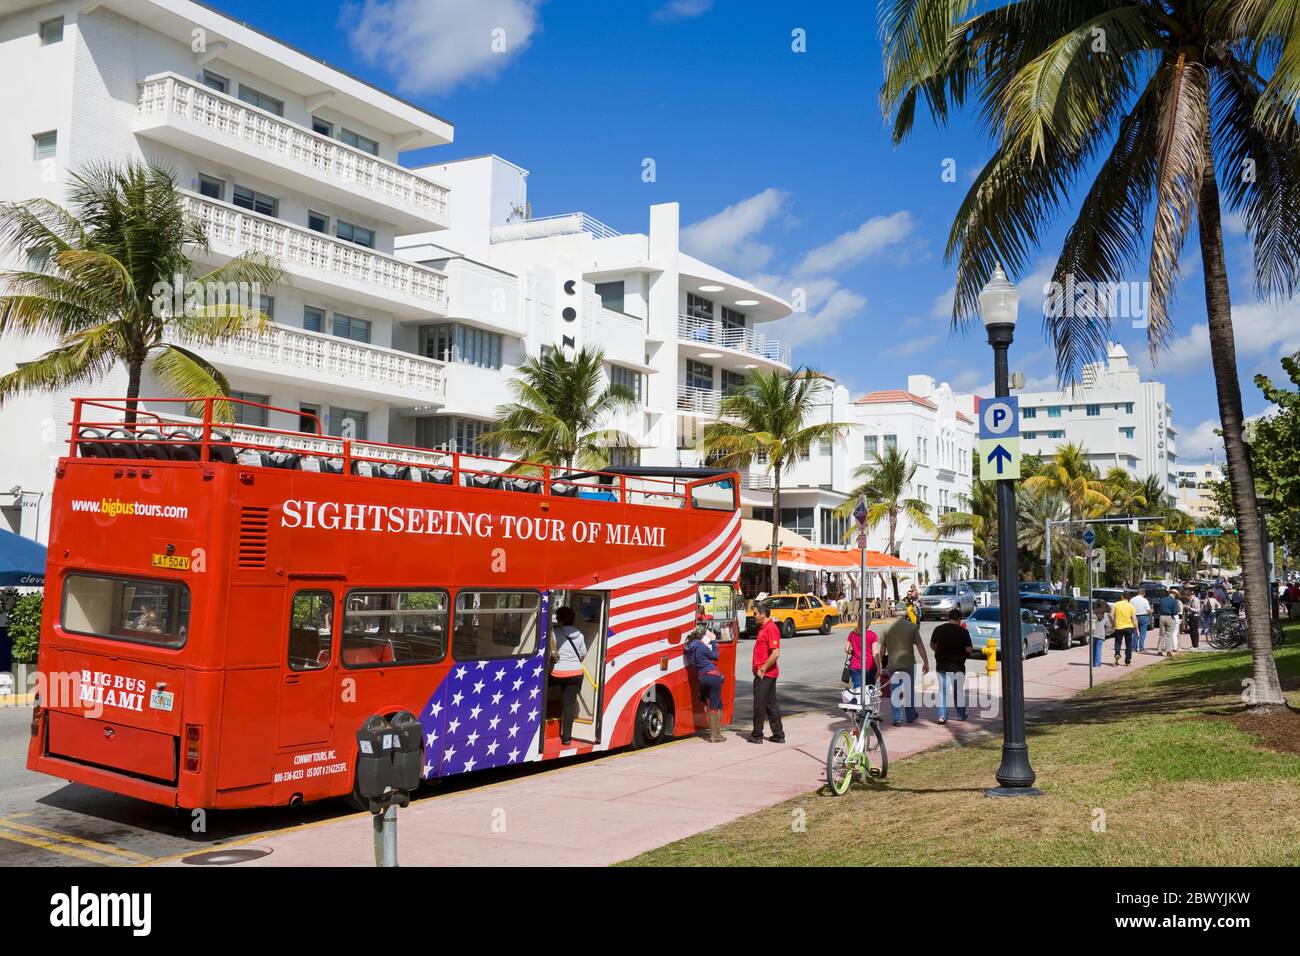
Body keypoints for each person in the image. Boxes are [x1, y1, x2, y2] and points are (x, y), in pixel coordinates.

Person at [880, 610, 930, 726]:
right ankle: (911, 714)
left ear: (894, 613)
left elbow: (882, 649)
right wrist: (925, 662)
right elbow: (920, 646)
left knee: (894, 691)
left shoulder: (887, 627)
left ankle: (897, 718)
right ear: (905, 614)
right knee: (909, 690)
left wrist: (879, 663)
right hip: (908, 663)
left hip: (893, 664)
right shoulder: (912, 627)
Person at [549, 607, 589, 745]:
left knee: (542, 688)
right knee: (568, 704)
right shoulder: (580, 634)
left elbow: (551, 650)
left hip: (557, 673)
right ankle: (566, 738)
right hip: (575, 673)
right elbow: (583, 653)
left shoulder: (555, 632)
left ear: (559, 619)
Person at [684, 617, 725, 743]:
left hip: (702, 678)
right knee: (715, 705)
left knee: (717, 703)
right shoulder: (701, 646)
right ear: (702, 636)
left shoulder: (689, 648)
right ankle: (715, 734)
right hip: (713, 675)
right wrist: (713, 642)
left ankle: (717, 732)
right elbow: (716, 656)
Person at [929, 607, 973, 723]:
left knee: (942, 691)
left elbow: (932, 644)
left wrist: (938, 651)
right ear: (959, 619)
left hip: (942, 665)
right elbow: (969, 649)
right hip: (958, 666)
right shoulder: (963, 632)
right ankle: (961, 715)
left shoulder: (938, 629)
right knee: (958, 692)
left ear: (949, 618)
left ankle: (941, 716)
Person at [749, 602, 784, 744]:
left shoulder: (771, 628)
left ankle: (757, 735)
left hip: (765, 674)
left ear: (763, 614)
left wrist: (762, 669)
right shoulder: (763, 628)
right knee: (770, 704)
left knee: (760, 704)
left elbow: (775, 653)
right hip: (766, 673)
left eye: (755, 614)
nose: (754, 617)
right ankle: (778, 735)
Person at [844, 620, 879, 697]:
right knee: (870, 689)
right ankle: (868, 707)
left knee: (858, 689)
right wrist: (879, 667)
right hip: (869, 666)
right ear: (869, 623)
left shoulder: (852, 633)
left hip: (855, 666)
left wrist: (855, 653)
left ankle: (859, 706)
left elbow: (846, 649)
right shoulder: (873, 635)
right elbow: (875, 653)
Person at [1111, 590, 1137, 666]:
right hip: (1129, 627)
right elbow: (1134, 618)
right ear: (1129, 598)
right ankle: (1127, 661)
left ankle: (1117, 653)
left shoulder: (1115, 604)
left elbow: (1111, 615)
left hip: (1118, 627)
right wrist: (1136, 628)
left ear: (1122, 597)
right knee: (1128, 644)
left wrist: (1113, 623)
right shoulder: (1131, 606)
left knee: (1118, 642)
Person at [1156, 588, 1182, 657]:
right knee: (1169, 635)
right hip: (1170, 617)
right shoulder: (1173, 601)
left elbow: (1158, 608)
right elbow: (1175, 611)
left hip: (1162, 617)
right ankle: (1168, 651)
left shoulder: (1161, 600)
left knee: (1161, 635)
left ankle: (1159, 651)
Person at [1090, 599, 1115, 669]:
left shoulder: (1092, 614)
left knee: (1093, 649)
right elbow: (1108, 626)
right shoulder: (1105, 616)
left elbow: (1088, 624)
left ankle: (1093, 662)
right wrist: (1109, 631)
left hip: (1092, 634)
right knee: (1098, 649)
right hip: (1101, 635)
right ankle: (1097, 663)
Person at [1130, 587, 1152, 654]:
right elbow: (1148, 610)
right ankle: (1141, 647)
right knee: (1142, 633)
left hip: (1134, 616)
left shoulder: (1132, 599)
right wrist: (1150, 612)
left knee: (1135, 632)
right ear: (1144, 593)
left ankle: (1133, 647)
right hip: (1143, 616)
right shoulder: (1145, 600)